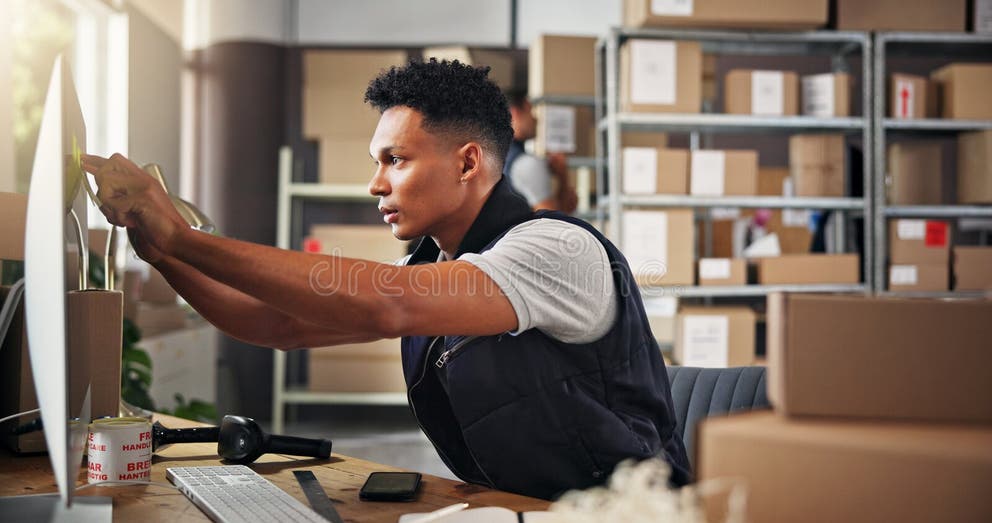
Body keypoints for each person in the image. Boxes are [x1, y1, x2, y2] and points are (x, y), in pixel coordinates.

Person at [82, 59, 690, 500]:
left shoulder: (553, 248)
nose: (376, 184)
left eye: (395, 160)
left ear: (468, 161)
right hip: (515, 509)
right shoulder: (438, 270)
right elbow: (278, 323)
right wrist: (159, 250)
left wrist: (184, 237)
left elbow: (387, 304)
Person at [504, 90, 578, 212]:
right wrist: (563, 178)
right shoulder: (527, 164)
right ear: (515, 113)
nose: (536, 119)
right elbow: (552, 225)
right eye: (530, 111)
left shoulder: (494, 158)